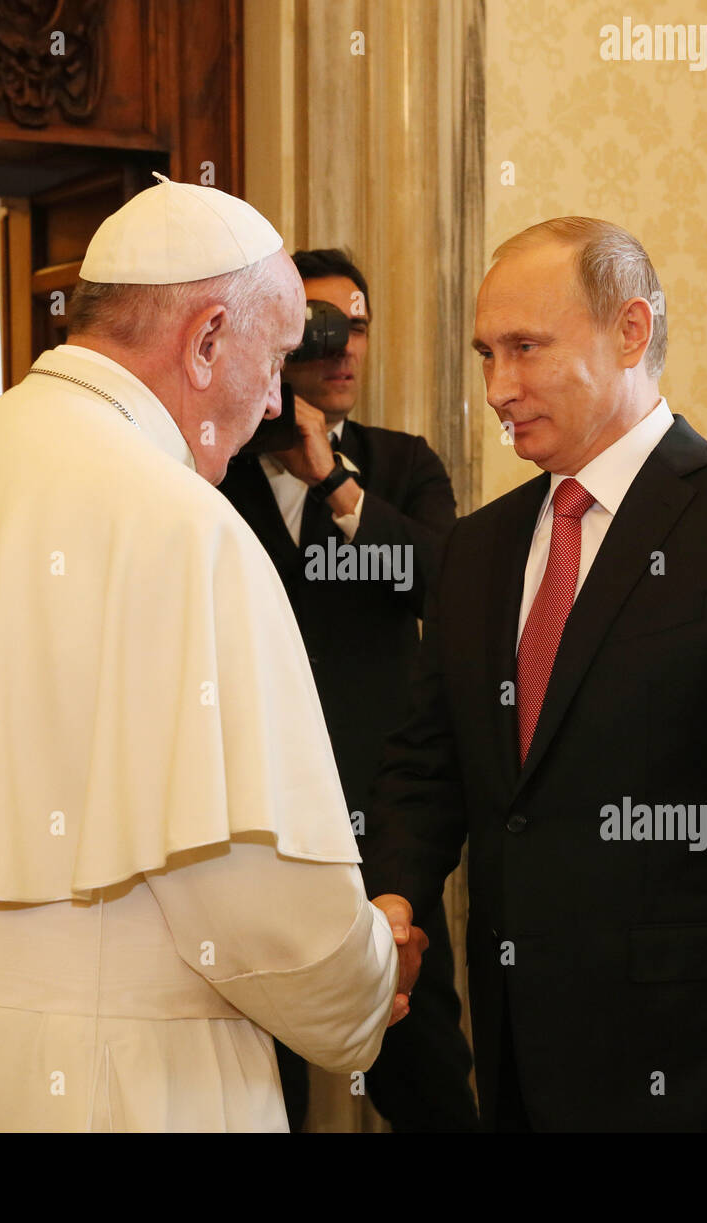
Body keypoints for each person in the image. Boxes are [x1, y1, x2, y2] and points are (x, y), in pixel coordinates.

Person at [0, 175, 411, 1133]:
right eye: (273, 360)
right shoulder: (184, 526)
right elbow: (255, 895)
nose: (276, 401)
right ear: (204, 341)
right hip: (81, 1078)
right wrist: (366, 976)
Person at [362, 217, 707, 1132]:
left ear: (631, 331)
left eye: (525, 348)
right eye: (488, 353)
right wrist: (395, 904)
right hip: (520, 1060)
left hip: (703, 1071)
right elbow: (428, 764)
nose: (497, 387)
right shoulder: (479, 550)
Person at [219, 248, 476, 1131]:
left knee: (424, 1056)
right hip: (249, 813)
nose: (343, 349)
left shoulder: (401, 465)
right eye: (318, 328)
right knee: (259, 1059)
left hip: (379, 808)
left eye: (356, 326)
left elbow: (443, 585)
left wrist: (335, 480)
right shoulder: (213, 470)